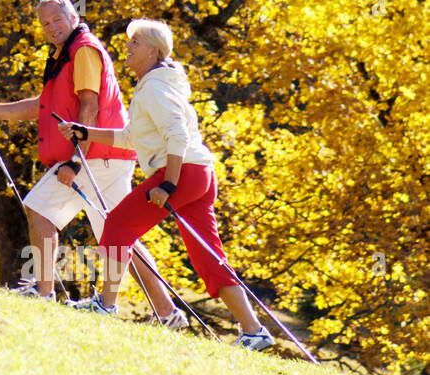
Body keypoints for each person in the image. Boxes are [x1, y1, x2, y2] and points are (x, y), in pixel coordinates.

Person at [0, 0, 186, 327]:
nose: (51, 28)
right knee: (120, 235)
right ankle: (169, 314)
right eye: (45, 24)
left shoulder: (82, 50)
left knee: (39, 208)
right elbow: (42, 105)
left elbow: (89, 106)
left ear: (72, 17)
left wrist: (74, 161)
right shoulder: (64, 54)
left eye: (57, 20)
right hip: (111, 157)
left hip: (94, 156)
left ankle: (42, 293)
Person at [56, 18, 273, 351]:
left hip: (181, 173)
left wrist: (169, 184)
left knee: (116, 226)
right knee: (207, 256)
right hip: (199, 173)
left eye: (135, 43)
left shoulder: (155, 86)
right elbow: (132, 138)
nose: (127, 48)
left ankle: (105, 305)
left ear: (154, 51)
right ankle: (254, 331)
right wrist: (87, 133)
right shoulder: (156, 84)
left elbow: (177, 135)